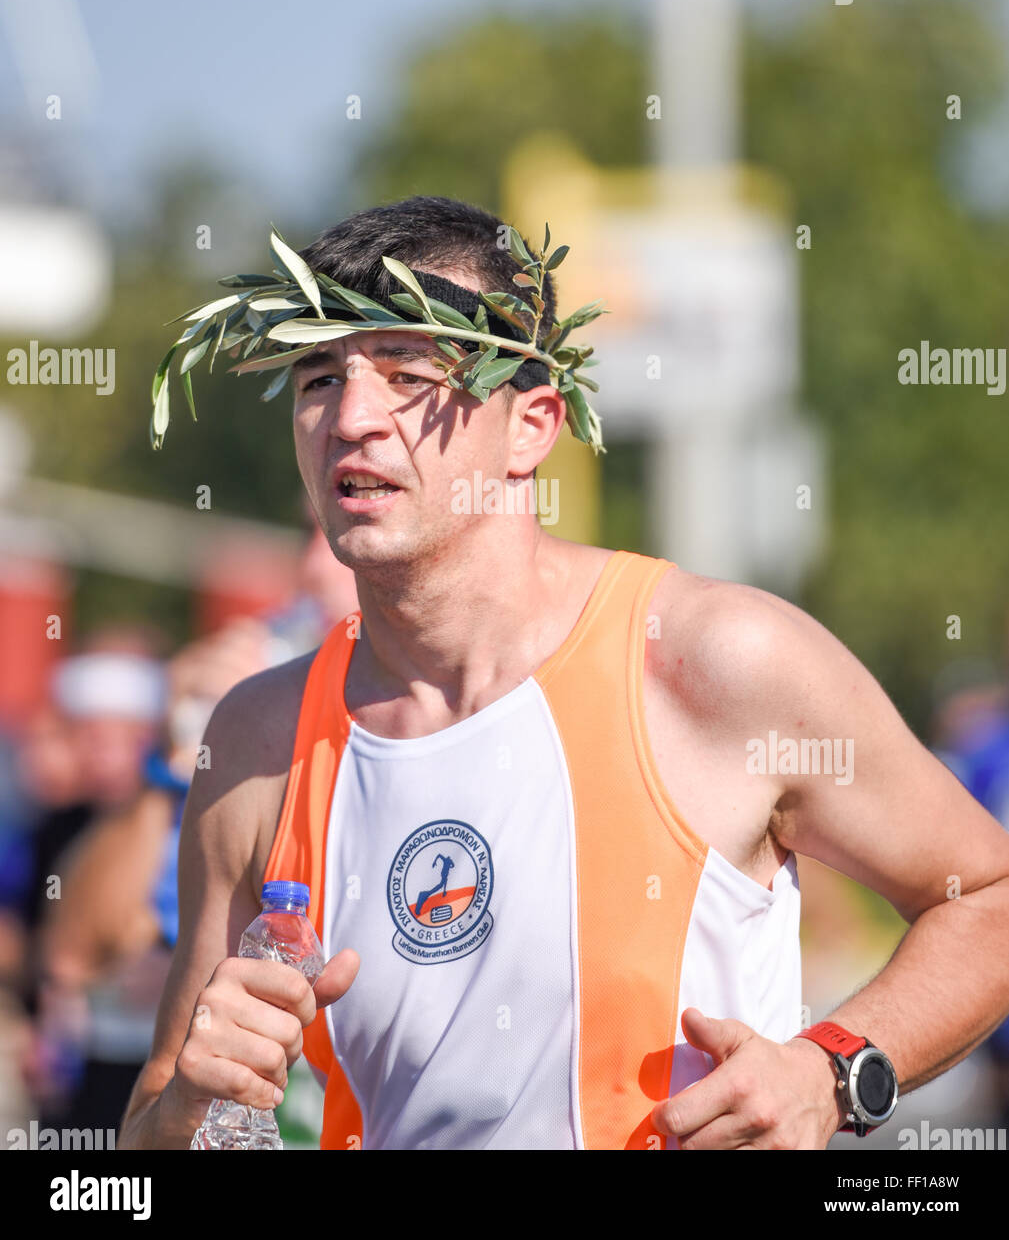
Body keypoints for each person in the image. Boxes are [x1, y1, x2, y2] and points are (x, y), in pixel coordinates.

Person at [121, 195, 1009, 1151]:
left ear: (532, 425)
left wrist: (830, 1070)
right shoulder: (257, 739)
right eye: (317, 378)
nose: (350, 417)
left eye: (407, 372)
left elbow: (987, 904)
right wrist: (184, 1110)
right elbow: (154, 1136)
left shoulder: (713, 663)